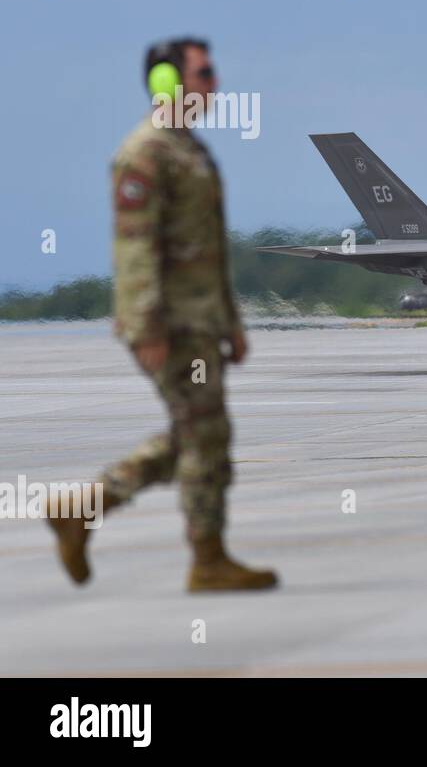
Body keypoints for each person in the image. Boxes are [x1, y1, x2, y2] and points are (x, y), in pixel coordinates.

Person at [46, 37, 277, 592]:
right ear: (167, 84)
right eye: (203, 73)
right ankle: (207, 559)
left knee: (197, 435)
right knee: (205, 435)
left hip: (198, 322)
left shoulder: (189, 151)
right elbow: (135, 246)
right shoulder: (146, 153)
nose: (215, 84)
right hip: (169, 325)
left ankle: (85, 507)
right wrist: (146, 323)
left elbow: (209, 251)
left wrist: (232, 324)